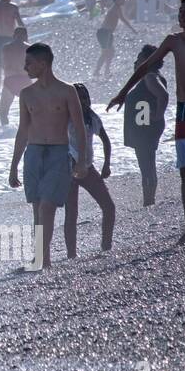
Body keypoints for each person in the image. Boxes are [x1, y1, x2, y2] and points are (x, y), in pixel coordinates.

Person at [108, 0, 185, 241]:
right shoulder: (172, 41)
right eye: (180, 11)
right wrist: (123, 92)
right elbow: (145, 67)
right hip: (183, 110)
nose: (181, 15)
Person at [9, 43, 88, 271]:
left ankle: (39, 259)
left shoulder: (66, 90)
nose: (25, 68)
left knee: (47, 207)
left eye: (29, 63)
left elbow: (79, 127)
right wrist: (13, 166)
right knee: (37, 208)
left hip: (57, 152)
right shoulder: (26, 94)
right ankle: (44, 259)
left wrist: (81, 160)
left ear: (43, 64)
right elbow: (22, 130)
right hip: (33, 153)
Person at [64, 83, 116, 257]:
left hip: (87, 167)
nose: (83, 101)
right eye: (78, 98)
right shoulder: (65, 117)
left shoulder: (92, 117)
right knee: (71, 212)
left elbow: (106, 141)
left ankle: (106, 246)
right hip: (69, 168)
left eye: (85, 97)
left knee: (109, 206)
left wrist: (107, 164)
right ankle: (71, 254)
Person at [122, 44, 168, 206]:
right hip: (145, 126)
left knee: (146, 164)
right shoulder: (152, 76)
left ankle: (148, 201)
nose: (135, 62)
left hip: (144, 127)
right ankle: (149, 199)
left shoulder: (150, 77)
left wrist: (158, 114)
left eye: (139, 58)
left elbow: (163, 95)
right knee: (148, 162)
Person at [94, 0, 136, 78]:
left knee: (111, 52)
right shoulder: (116, 8)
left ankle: (106, 71)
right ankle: (97, 71)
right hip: (104, 33)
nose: (124, 0)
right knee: (105, 53)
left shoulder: (117, 7)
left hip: (107, 33)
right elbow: (123, 19)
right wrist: (132, 29)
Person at [0, 27, 30, 132]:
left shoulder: (5, 48)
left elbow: (3, 65)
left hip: (10, 80)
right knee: (31, 110)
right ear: (25, 36)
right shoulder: (29, 48)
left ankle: (5, 131)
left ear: (14, 36)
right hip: (25, 80)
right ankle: (29, 130)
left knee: (3, 111)